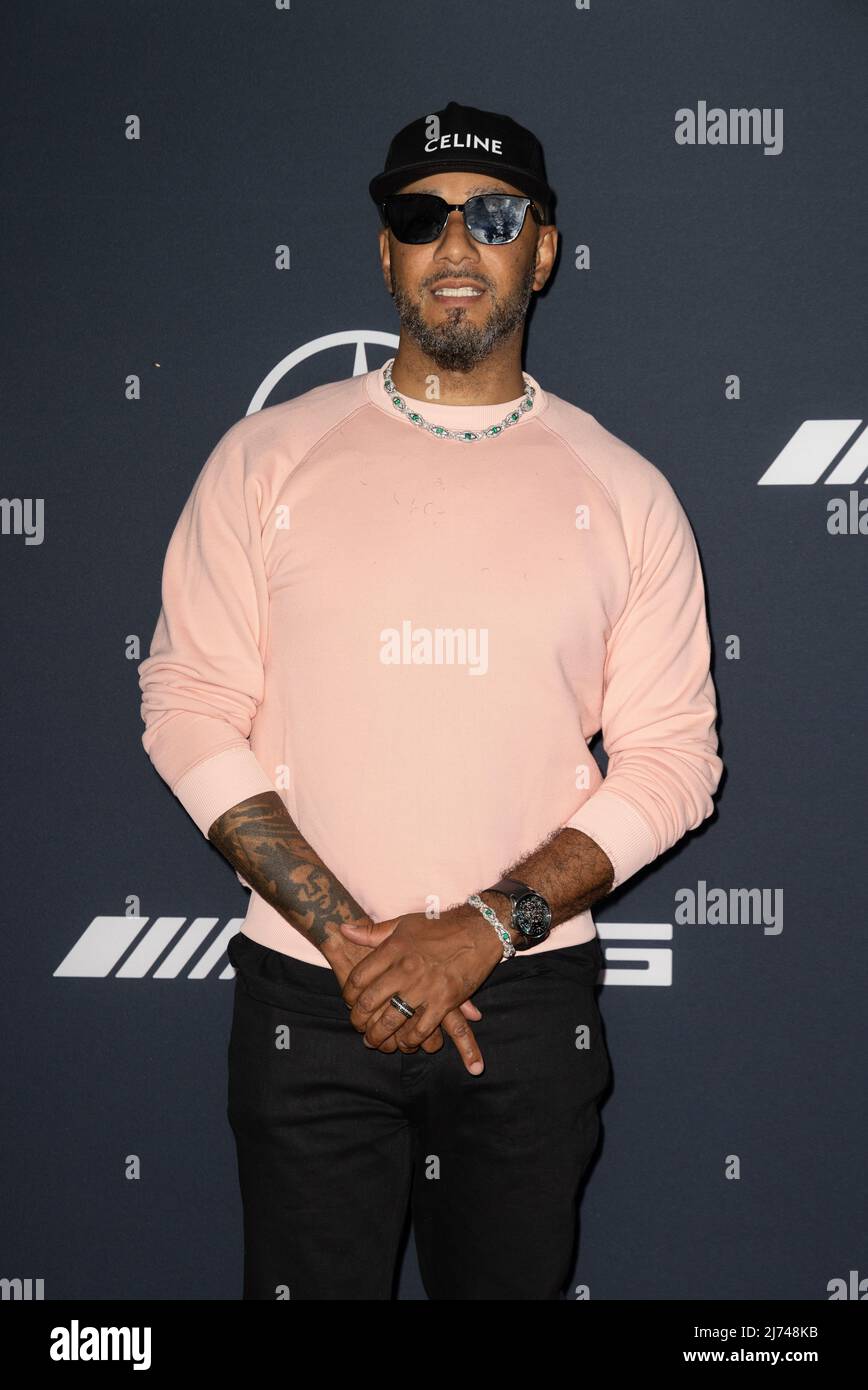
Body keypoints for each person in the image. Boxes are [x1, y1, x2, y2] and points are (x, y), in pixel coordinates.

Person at [137, 99, 723, 1300]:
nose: (456, 245)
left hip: (525, 999)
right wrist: (356, 943)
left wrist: (473, 934)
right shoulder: (264, 459)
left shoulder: (625, 492)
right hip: (308, 992)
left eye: (492, 215)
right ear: (387, 250)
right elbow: (189, 700)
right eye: (421, 216)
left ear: (543, 250)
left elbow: (674, 761)